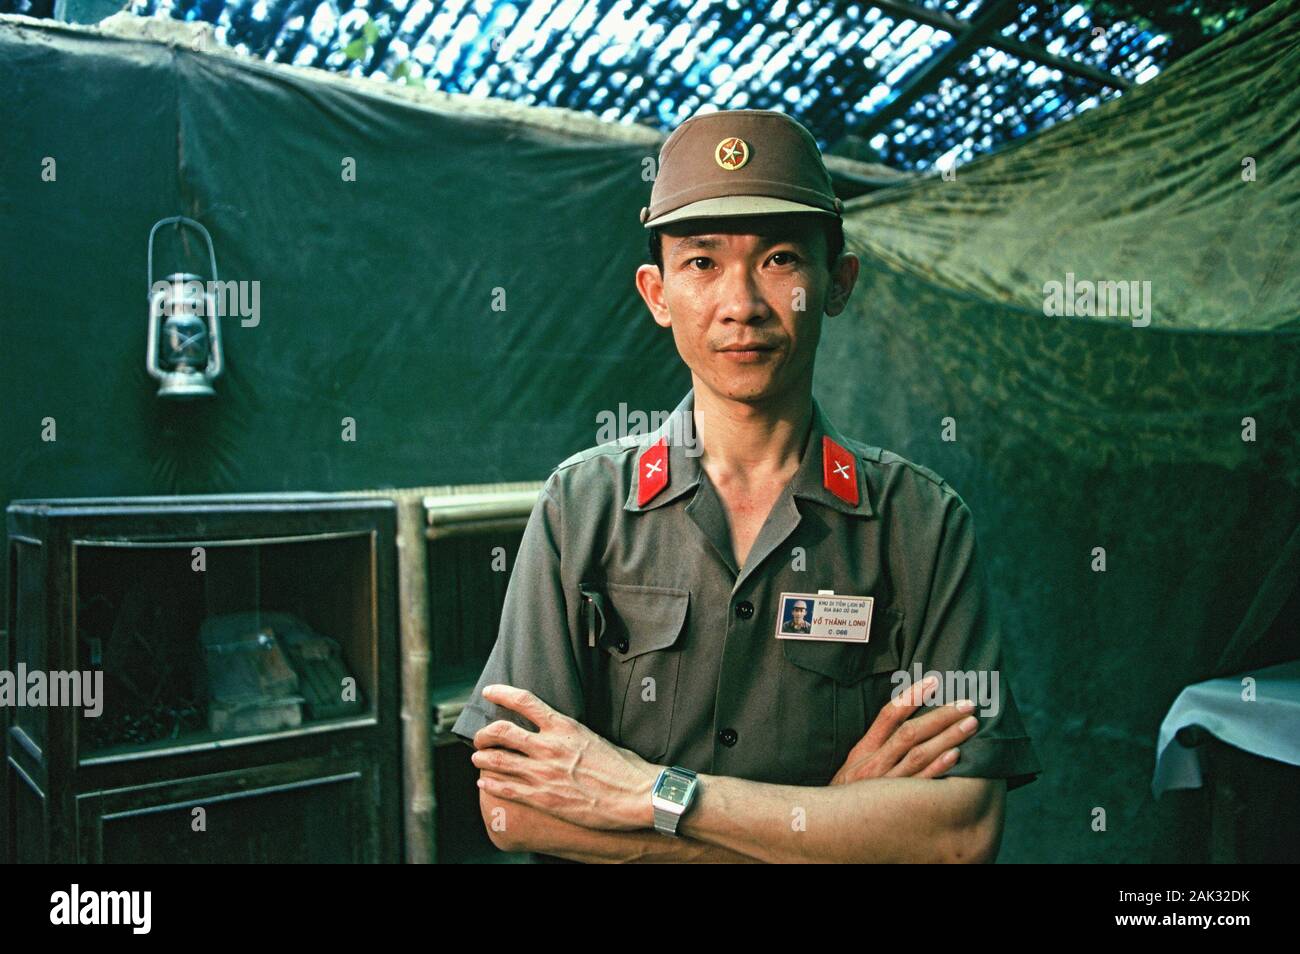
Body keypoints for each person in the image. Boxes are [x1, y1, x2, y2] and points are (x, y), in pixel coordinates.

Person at [451, 108, 1041, 863]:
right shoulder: (583, 508)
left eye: (781, 259)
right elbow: (512, 810)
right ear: (657, 293)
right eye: (702, 263)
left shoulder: (919, 523)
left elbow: (959, 834)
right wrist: (831, 823)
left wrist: (647, 792)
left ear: (838, 281)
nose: (742, 305)